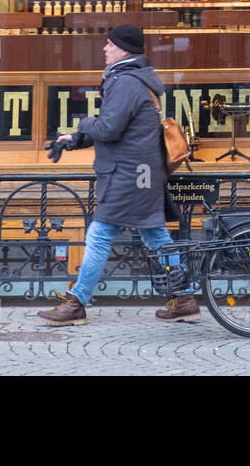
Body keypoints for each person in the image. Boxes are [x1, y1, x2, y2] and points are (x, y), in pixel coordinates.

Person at [38, 23, 199, 325]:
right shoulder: (134, 79)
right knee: (155, 234)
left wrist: (82, 123)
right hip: (142, 172)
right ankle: (185, 300)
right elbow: (120, 129)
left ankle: (76, 304)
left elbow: (109, 129)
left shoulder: (126, 82)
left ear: (123, 49)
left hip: (128, 174)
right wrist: (74, 140)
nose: (104, 49)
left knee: (99, 234)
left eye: (109, 44)